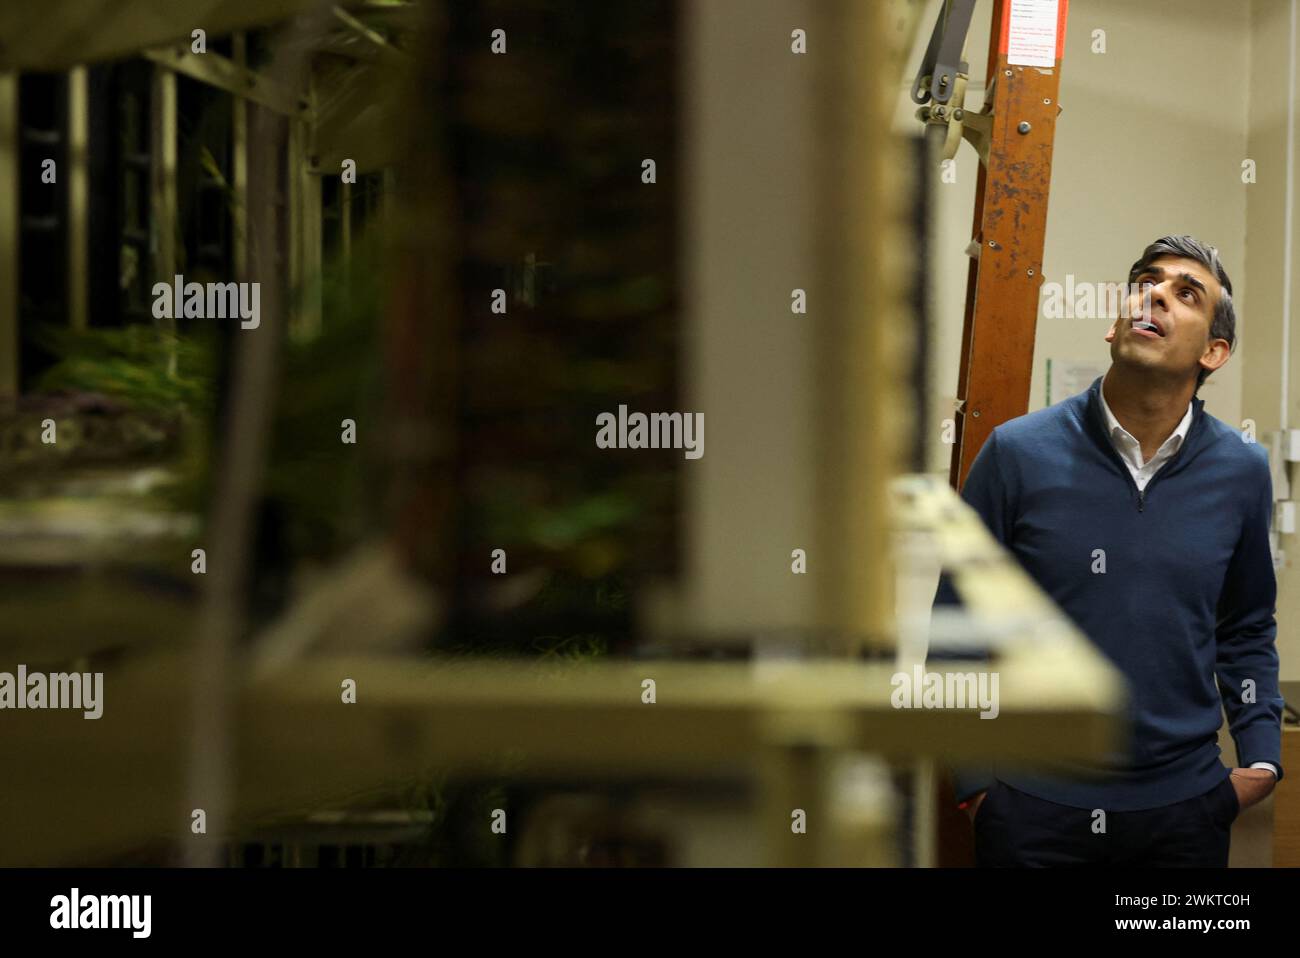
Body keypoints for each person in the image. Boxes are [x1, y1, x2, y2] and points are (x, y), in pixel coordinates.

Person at [934, 234, 1283, 867]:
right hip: (1032, 810)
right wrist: (976, 784)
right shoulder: (1018, 452)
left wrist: (1261, 757)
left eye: (1185, 293)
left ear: (1214, 350)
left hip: (1184, 813)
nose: (1154, 296)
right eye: (1146, 283)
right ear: (1115, 322)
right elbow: (957, 624)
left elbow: (1245, 626)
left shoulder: (1242, 469)